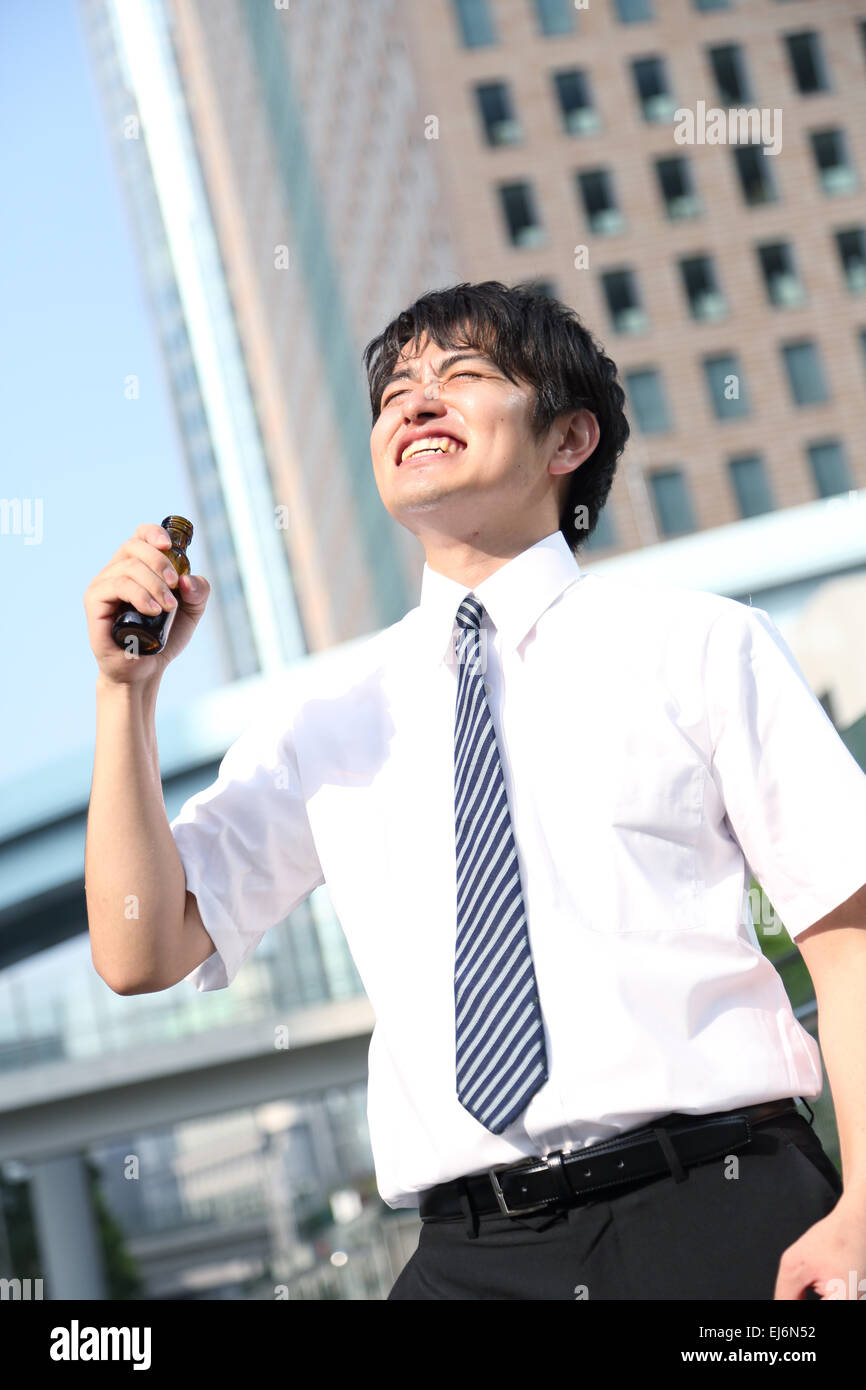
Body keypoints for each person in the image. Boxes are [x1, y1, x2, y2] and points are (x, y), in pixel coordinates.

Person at [84, 280, 866, 1301]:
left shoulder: (698, 644)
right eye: (396, 389)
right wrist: (125, 696)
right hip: (468, 1258)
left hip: (719, 1218)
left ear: (567, 440)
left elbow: (842, 932)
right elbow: (141, 949)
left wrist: (859, 1210)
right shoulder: (324, 722)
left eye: (464, 376)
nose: (415, 402)